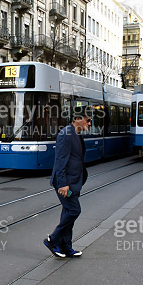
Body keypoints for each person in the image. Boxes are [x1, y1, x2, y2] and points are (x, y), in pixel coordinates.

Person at [44, 109, 91, 258]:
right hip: (65, 183)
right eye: (87, 120)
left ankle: (66, 247)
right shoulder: (66, 134)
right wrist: (63, 184)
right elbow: (60, 161)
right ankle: (53, 239)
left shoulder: (75, 133)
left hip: (74, 182)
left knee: (67, 213)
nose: (89, 123)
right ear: (77, 118)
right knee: (74, 211)